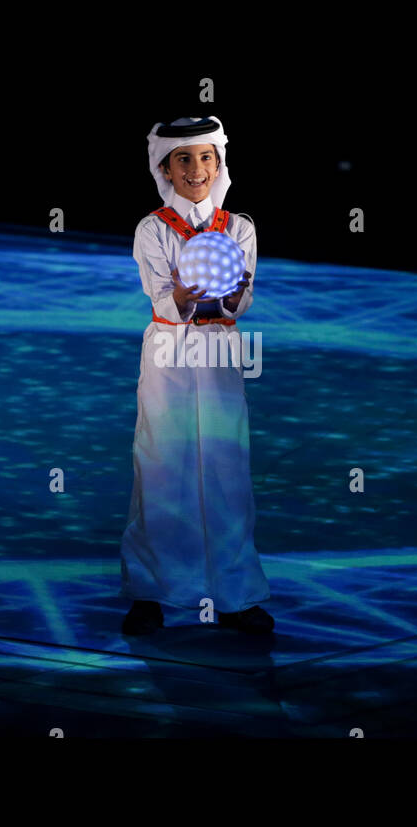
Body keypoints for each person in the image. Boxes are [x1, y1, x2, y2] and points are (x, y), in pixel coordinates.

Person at [119, 115, 274, 636]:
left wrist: (231, 295)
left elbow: (239, 302)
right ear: (164, 167)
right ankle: (149, 592)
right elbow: (162, 298)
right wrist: (186, 291)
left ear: (219, 163)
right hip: (168, 350)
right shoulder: (154, 228)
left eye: (206, 157)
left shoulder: (239, 228)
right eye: (183, 158)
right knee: (162, 465)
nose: (196, 168)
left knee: (226, 469)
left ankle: (236, 594)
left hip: (219, 351)